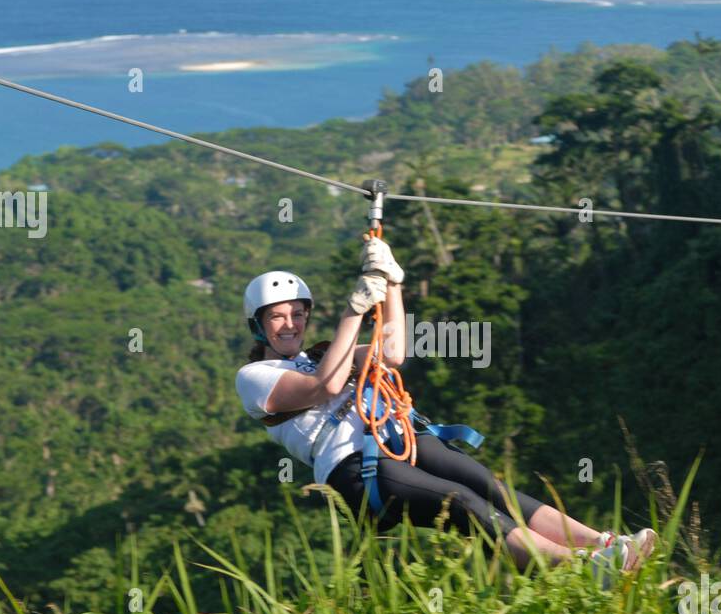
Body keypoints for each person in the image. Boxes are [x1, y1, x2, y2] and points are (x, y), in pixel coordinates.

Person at [233, 237, 655, 584]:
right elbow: (323, 386)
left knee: (491, 488)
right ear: (258, 324)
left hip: (394, 439)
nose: (290, 324)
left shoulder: (327, 352)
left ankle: (604, 545)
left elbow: (393, 353)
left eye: (298, 314)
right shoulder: (254, 377)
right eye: (277, 317)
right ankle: (581, 571)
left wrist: (392, 282)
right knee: (463, 503)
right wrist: (353, 311)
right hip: (353, 468)